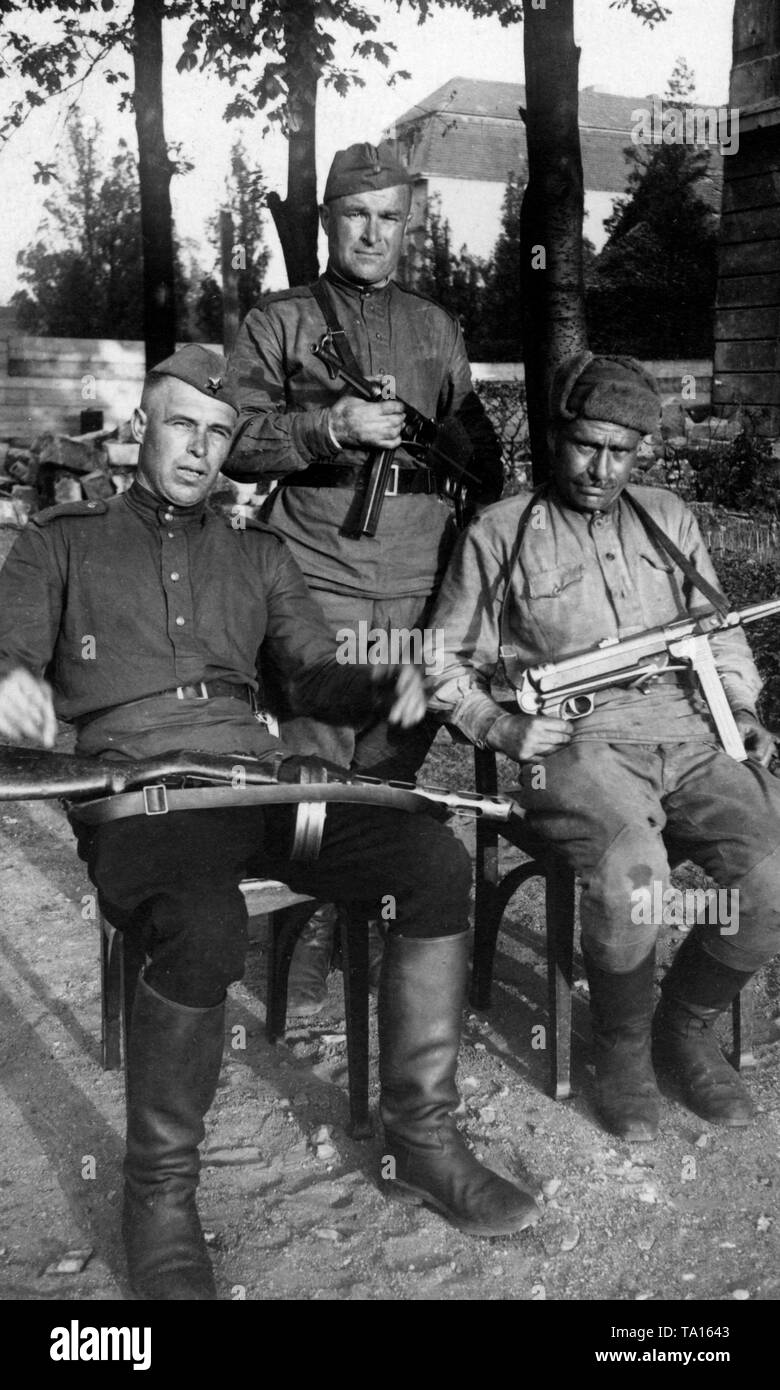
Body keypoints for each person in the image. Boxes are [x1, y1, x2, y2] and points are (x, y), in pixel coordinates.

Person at [0, 346, 538, 1302]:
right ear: (139, 430)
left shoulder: (258, 551)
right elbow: (10, 667)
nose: (200, 450)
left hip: (257, 784)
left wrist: (406, 680)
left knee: (428, 860)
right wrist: (20, 706)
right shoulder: (59, 540)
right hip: (143, 796)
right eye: (180, 425)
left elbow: (316, 675)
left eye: (217, 434)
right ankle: (159, 1195)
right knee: (202, 924)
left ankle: (422, 1140)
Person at [426, 351, 780, 1144]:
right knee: (632, 874)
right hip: (576, 745)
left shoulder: (670, 517)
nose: (601, 468)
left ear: (642, 452)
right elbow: (439, 661)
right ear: (557, 438)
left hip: (688, 734)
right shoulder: (501, 531)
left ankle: (682, 1028)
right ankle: (617, 1046)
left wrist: (743, 709)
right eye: (587, 446)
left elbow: (716, 635)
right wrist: (500, 727)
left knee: (774, 867)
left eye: (621, 452)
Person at [223, 141, 504, 1014]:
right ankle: (301, 930)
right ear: (328, 221)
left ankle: (382, 913)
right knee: (313, 763)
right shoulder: (279, 321)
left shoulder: (437, 328)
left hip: (419, 584)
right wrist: (327, 427)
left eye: (390, 217)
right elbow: (231, 442)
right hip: (315, 578)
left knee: (396, 762)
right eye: (356, 215)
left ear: (407, 224)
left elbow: (473, 452)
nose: (373, 233)